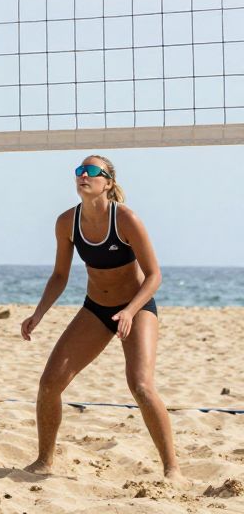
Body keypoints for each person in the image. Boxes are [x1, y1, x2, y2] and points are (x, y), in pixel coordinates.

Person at [20, 154, 183, 482]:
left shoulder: (125, 219)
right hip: (96, 308)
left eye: (92, 171)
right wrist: (38, 313)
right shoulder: (66, 222)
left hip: (136, 307)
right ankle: (44, 461)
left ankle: (172, 469)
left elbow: (154, 276)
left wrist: (130, 310)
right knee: (49, 383)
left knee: (140, 385)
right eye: (79, 171)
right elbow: (59, 276)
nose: (83, 175)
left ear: (107, 182)